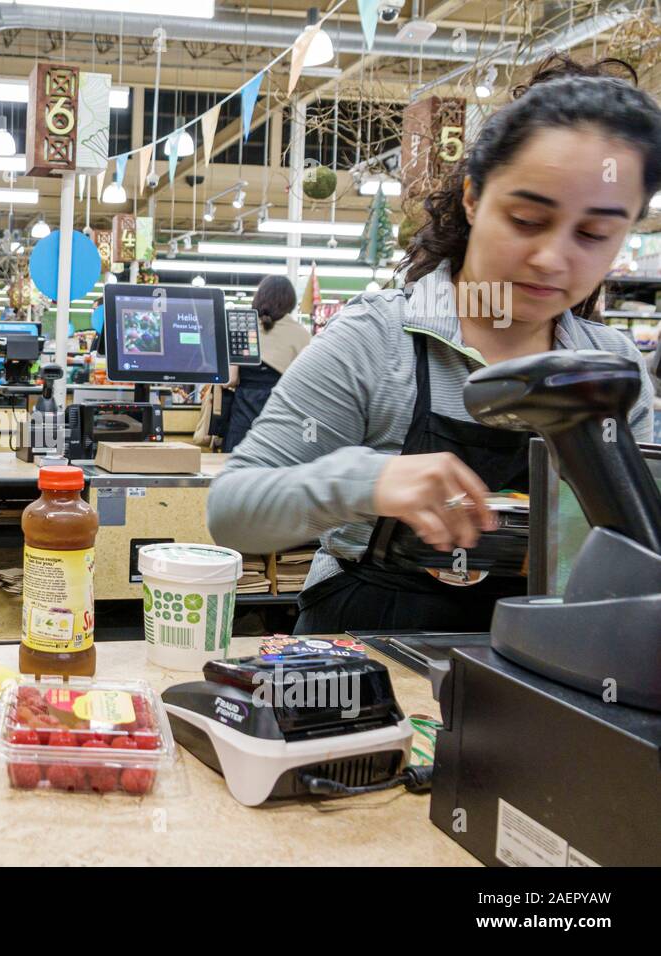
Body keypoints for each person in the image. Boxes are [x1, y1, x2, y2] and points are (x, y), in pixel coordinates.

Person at [207, 56, 659, 636]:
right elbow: (233, 510)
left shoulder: (612, 372)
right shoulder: (376, 339)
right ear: (472, 197)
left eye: (594, 234)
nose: (552, 258)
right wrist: (366, 482)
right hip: (367, 657)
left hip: (547, 663)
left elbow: (632, 549)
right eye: (525, 219)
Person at [220, 274, 312, 450]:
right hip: (281, 417)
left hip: (243, 413)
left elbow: (230, 379)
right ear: (290, 301)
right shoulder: (301, 335)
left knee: (237, 468)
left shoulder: (243, 326)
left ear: (260, 297)